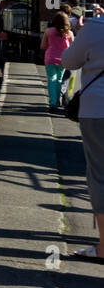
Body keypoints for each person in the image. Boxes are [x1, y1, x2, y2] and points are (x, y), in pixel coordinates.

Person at [59, 15, 104, 268]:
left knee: (100, 175)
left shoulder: (95, 28)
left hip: (98, 111)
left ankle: (103, 247)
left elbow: (68, 60)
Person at [42, 11, 74, 107]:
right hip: (63, 60)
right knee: (59, 80)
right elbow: (73, 48)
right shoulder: (69, 33)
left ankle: (53, 102)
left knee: (51, 80)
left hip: (50, 59)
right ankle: (57, 100)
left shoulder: (48, 31)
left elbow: (43, 46)